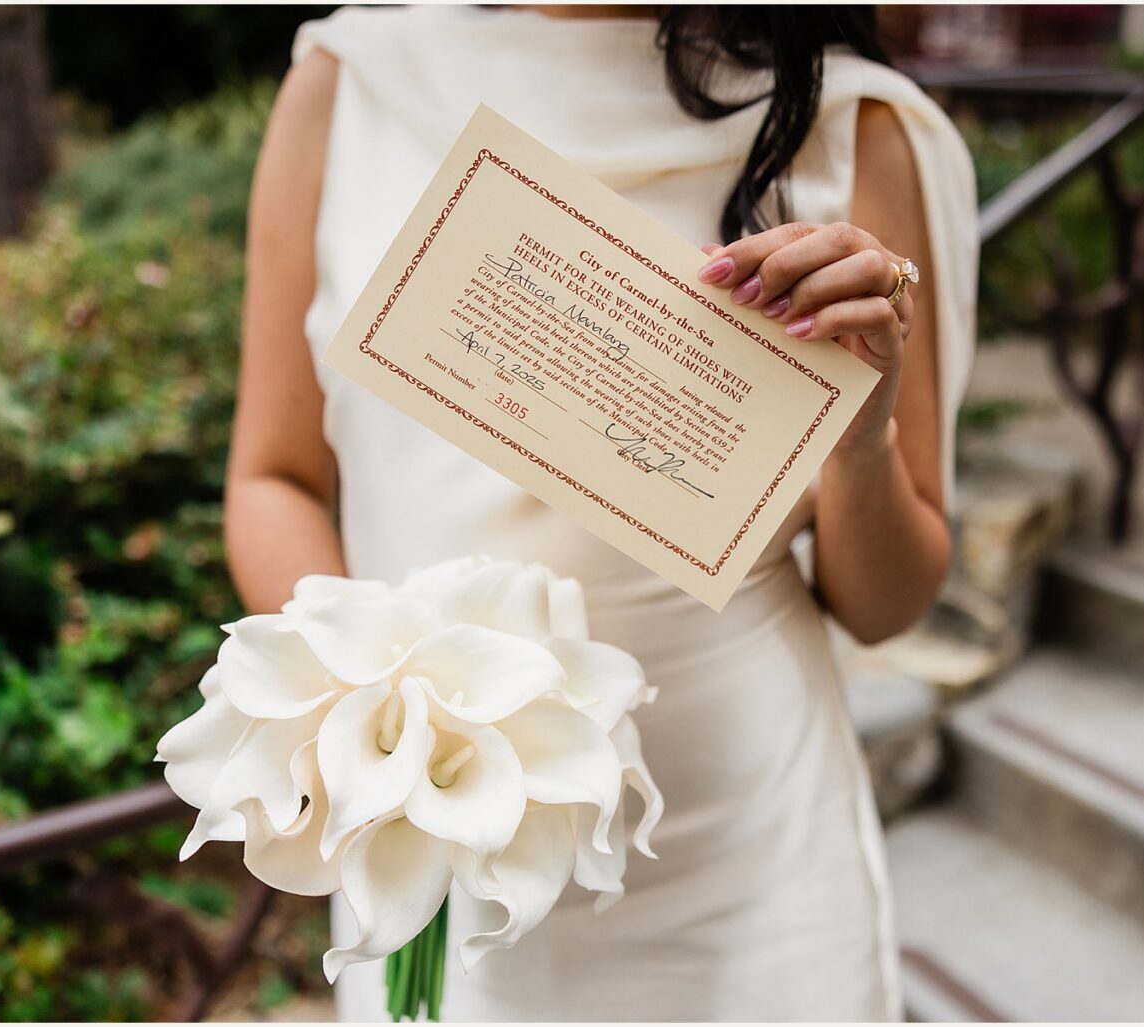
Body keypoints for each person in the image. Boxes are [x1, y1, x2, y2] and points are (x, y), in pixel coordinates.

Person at [226, 3, 977, 1020]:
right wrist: (382, 716)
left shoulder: (854, 123)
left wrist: (859, 437)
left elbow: (887, 604)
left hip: (741, 848)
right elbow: (272, 477)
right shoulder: (351, 77)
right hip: (443, 813)